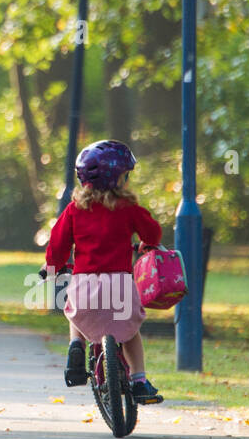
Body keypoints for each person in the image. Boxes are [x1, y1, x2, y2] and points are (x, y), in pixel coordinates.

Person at [44, 139, 165, 404]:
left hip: (85, 284)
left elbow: (58, 244)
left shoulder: (75, 209)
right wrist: (147, 243)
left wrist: (52, 266)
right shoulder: (127, 208)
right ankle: (140, 381)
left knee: (75, 314)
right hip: (120, 285)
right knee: (131, 333)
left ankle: (76, 346)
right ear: (118, 178)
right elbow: (153, 233)